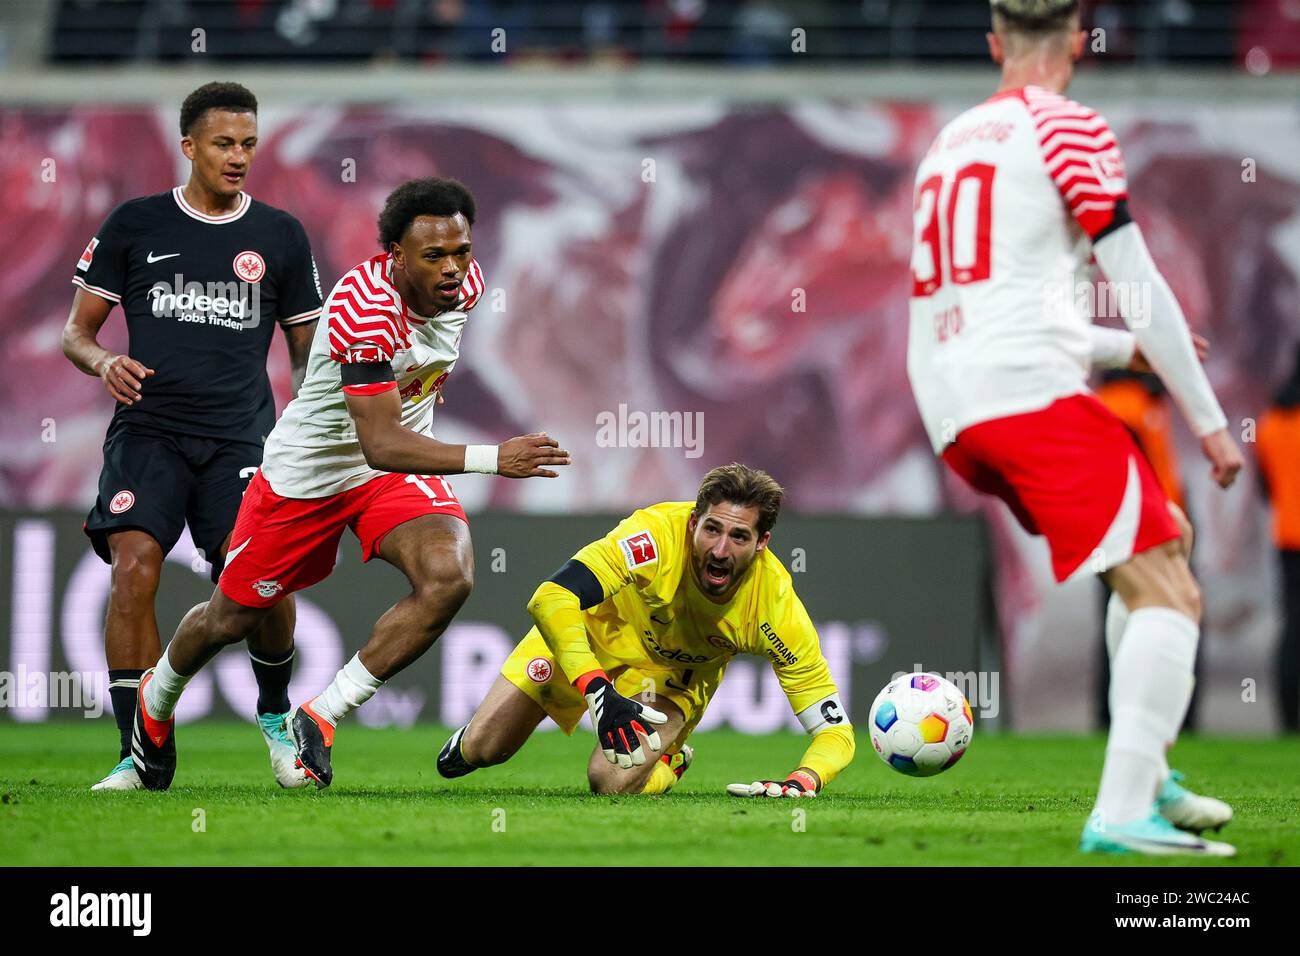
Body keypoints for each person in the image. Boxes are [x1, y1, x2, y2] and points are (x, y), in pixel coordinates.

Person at [906, 0, 1243, 855]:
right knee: (1173, 591)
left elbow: (973, 308)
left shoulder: (947, 145)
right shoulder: (1066, 127)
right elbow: (1137, 275)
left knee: (1159, 551)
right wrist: (1206, 416)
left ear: (994, 43)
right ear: (1080, 44)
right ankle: (1123, 812)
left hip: (955, 411)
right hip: (1027, 397)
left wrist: (1122, 351)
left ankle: (1149, 775)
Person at [127, 177, 571, 791]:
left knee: (449, 578)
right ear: (395, 256)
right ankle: (159, 693)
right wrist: (495, 459)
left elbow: (419, 392)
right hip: (312, 472)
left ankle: (322, 715)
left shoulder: (468, 287)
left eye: (462, 250)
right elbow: (380, 443)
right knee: (229, 619)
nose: (453, 268)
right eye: (433, 256)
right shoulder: (362, 307)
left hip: (391, 474)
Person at [61, 81, 322, 791]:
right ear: (188, 147)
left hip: (242, 440)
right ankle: (138, 753)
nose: (238, 157)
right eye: (223, 144)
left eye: (247, 145)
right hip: (148, 431)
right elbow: (76, 334)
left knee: (261, 584)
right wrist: (105, 360)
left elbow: (307, 355)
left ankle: (275, 720)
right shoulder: (136, 224)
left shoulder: (280, 236)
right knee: (134, 566)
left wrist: (313, 431)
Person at [437, 463, 856, 799]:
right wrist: (596, 687)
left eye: (739, 536)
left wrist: (804, 780)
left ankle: (670, 764)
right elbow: (550, 598)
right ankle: (476, 739)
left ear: (762, 543)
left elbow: (835, 732)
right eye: (712, 529)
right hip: (595, 633)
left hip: (674, 680)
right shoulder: (653, 537)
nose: (720, 550)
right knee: (483, 750)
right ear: (693, 523)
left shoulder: (774, 607)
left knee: (609, 782)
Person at [1256, 344, 1300, 733]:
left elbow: (1263, 488)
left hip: (1288, 538)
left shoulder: (1272, 421)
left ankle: (1288, 718)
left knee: (1292, 627)